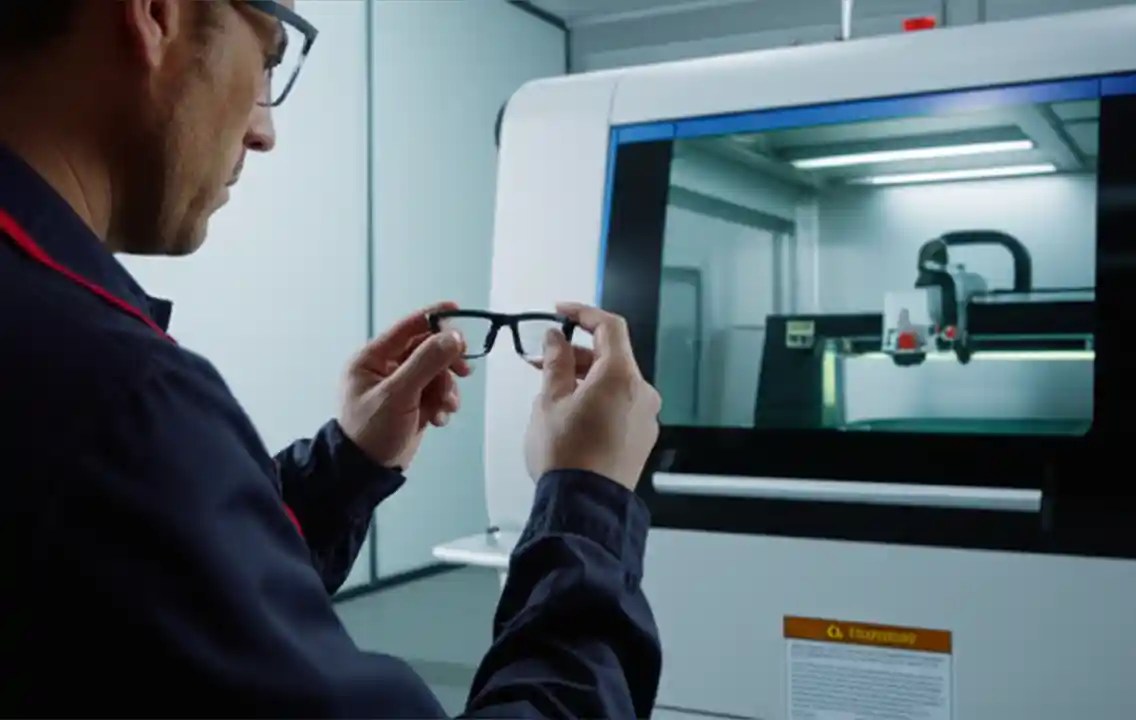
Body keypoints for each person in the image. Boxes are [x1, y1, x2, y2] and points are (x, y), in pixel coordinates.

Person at [0, 1, 663, 717]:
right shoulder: (121, 402)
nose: (264, 131)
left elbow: (156, 600)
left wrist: (348, 464)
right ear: (158, 13)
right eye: (268, 65)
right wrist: (588, 500)